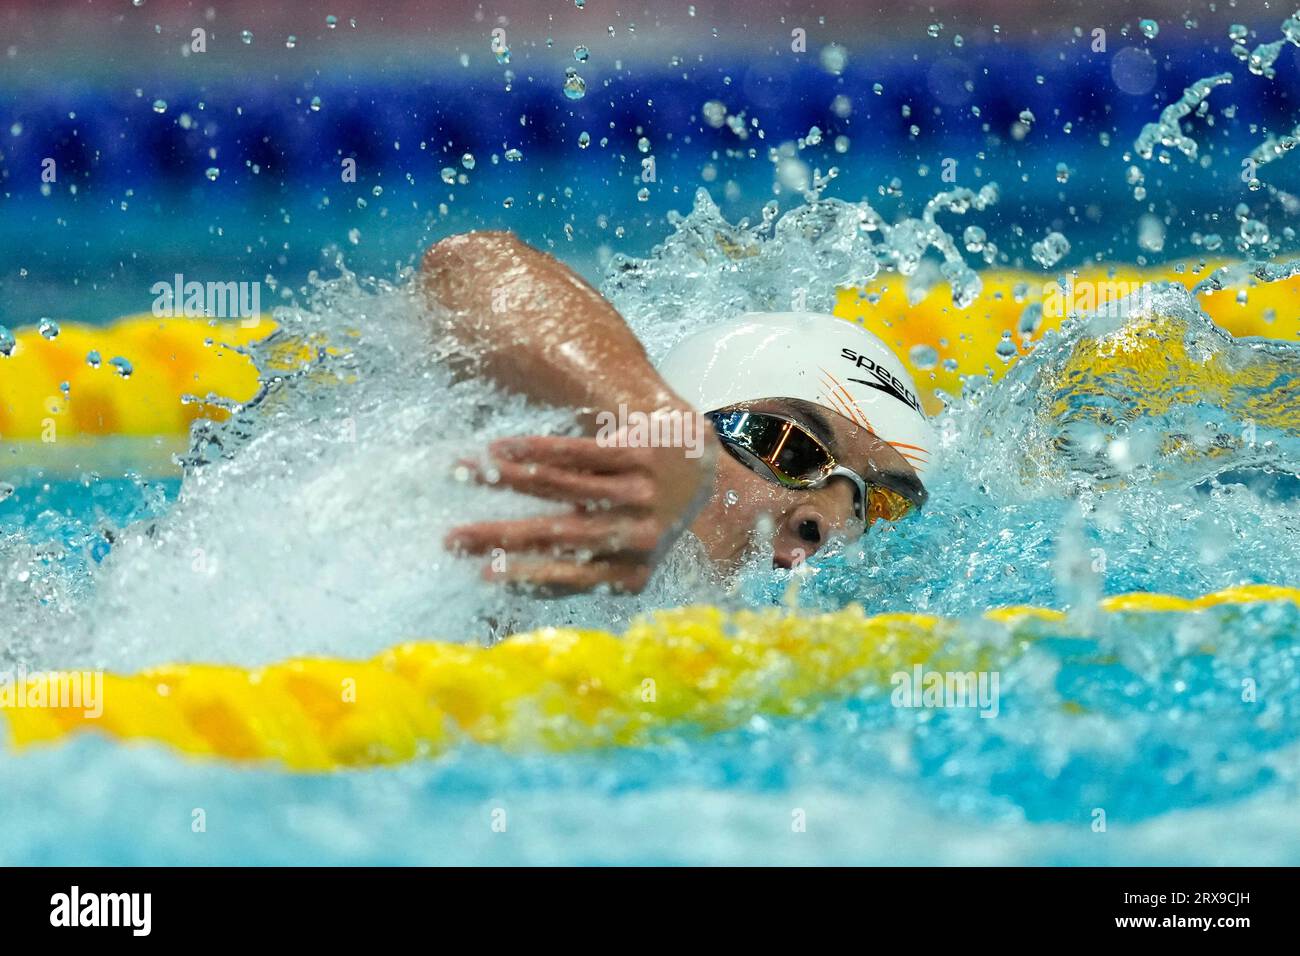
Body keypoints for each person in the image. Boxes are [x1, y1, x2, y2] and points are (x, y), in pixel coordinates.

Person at [423, 230, 935, 596]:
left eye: (882, 506)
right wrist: (644, 415)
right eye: (789, 448)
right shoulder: (503, 567)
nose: (830, 523)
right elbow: (467, 267)